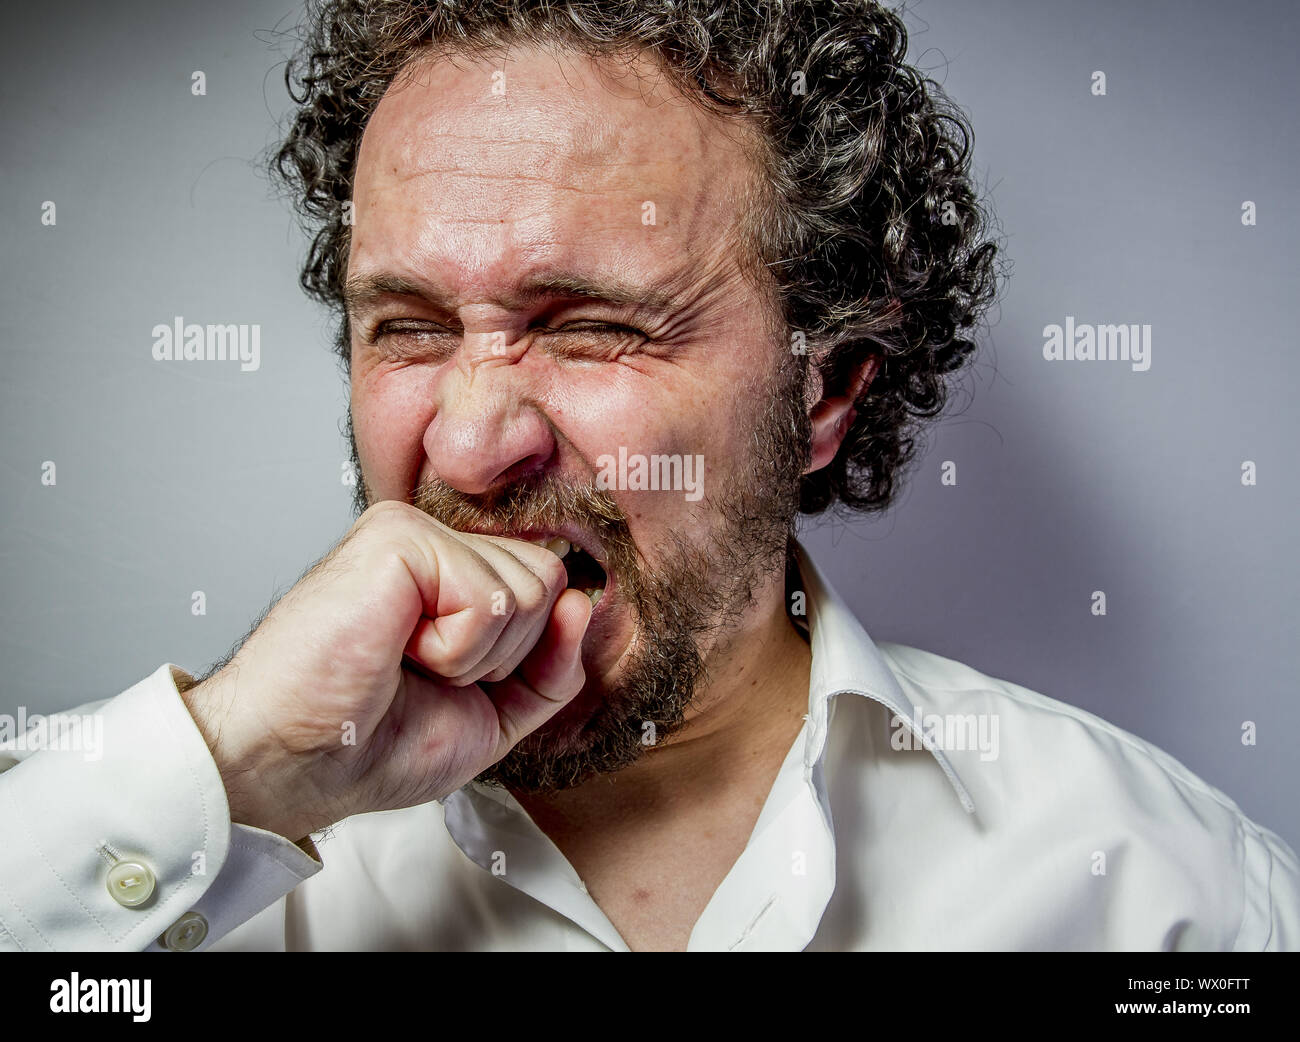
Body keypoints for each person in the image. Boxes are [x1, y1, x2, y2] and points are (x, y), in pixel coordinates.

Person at [2, 0, 1296, 952]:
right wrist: (234, 766)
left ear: (827, 390)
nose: (464, 444)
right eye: (408, 326)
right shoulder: (188, 880)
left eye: (591, 326)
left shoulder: (1163, 893)